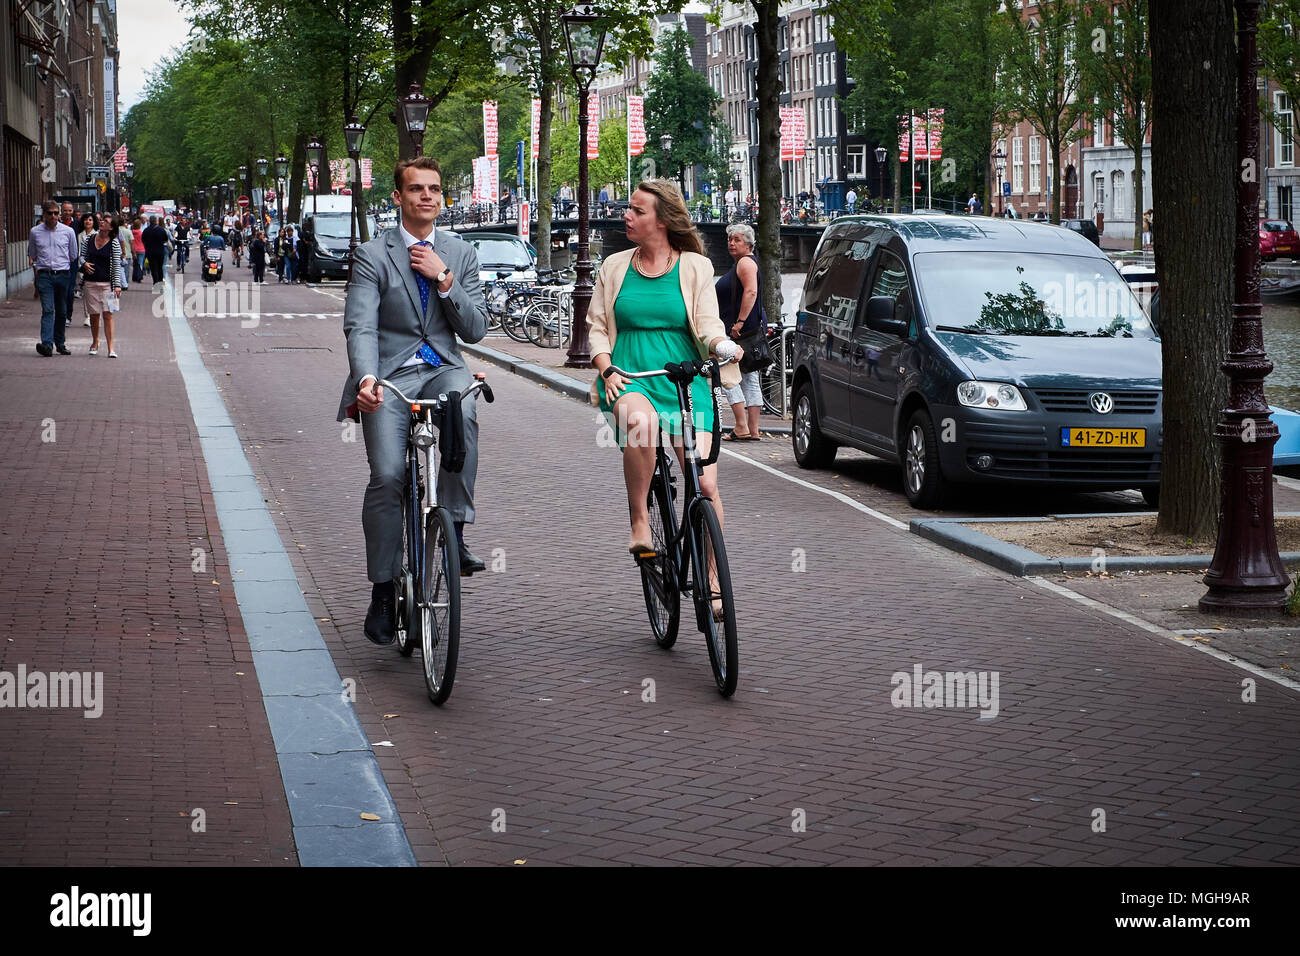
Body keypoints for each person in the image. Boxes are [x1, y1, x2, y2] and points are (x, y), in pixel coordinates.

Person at [336, 155, 491, 646]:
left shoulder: (459, 253)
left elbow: (476, 328)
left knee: (462, 408)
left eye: (435, 189)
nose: (428, 196)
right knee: (387, 476)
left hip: (443, 366)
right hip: (389, 374)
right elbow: (360, 324)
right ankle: (383, 591)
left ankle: (456, 532)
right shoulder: (372, 254)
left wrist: (444, 279)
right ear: (398, 197)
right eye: (417, 189)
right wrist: (365, 379)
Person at [588, 178, 742, 591]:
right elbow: (598, 329)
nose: (627, 215)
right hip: (629, 375)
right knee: (643, 424)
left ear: (662, 220)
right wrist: (607, 369)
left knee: (706, 483)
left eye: (637, 210)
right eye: (629, 208)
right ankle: (640, 519)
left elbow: (709, 324)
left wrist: (724, 345)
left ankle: (712, 579)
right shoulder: (615, 266)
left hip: (683, 378)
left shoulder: (695, 266)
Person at [716, 223, 766, 443]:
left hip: (737, 332)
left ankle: (741, 425)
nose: (731, 243)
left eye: (736, 239)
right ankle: (753, 429)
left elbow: (751, 291)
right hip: (749, 331)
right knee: (749, 378)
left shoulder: (745, 263)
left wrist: (739, 323)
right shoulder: (745, 262)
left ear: (748, 243)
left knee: (729, 377)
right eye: (729, 239)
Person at [28, 200, 79, 356]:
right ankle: (47, 345)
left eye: (56, 213)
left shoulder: (68, 232)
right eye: (50, 213)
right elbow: (32, 253)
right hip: (45, 275)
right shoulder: (35, 232)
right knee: (48, 310)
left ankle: (60, 343)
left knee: (62, 311)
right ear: (44, 214)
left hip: (63, 275)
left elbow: (73, 254)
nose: (54, 216)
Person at [80, 213, 122, 357]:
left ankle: (111, 348)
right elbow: (81, 256)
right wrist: (84, 263)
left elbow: (117, 265)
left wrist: (117, 285)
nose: (102, 222)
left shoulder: (114, 243)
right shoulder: (89, 238)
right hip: (90, 283)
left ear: (111, 227)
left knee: (108, 314)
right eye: (102, 220)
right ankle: (95, 341)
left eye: (106, 221)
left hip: (108, 285)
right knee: (94, 315)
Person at [142, 215, 171, 284]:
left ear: (149, 221)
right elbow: (165, 239)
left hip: (150, 252)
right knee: (159, 268)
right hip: (160, 251)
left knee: (153, 268)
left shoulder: (146, 230)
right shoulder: (161, 230)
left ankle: (155, 282)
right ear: (156, 221)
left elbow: (143, 240)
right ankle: (160, 283)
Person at [130, 217, 146, 282]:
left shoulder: (131, 232)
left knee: (135, 264)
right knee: (140, 264)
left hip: (134, 249)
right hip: (141, 249)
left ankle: (134, 277)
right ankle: (139, 277)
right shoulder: (141, 233)